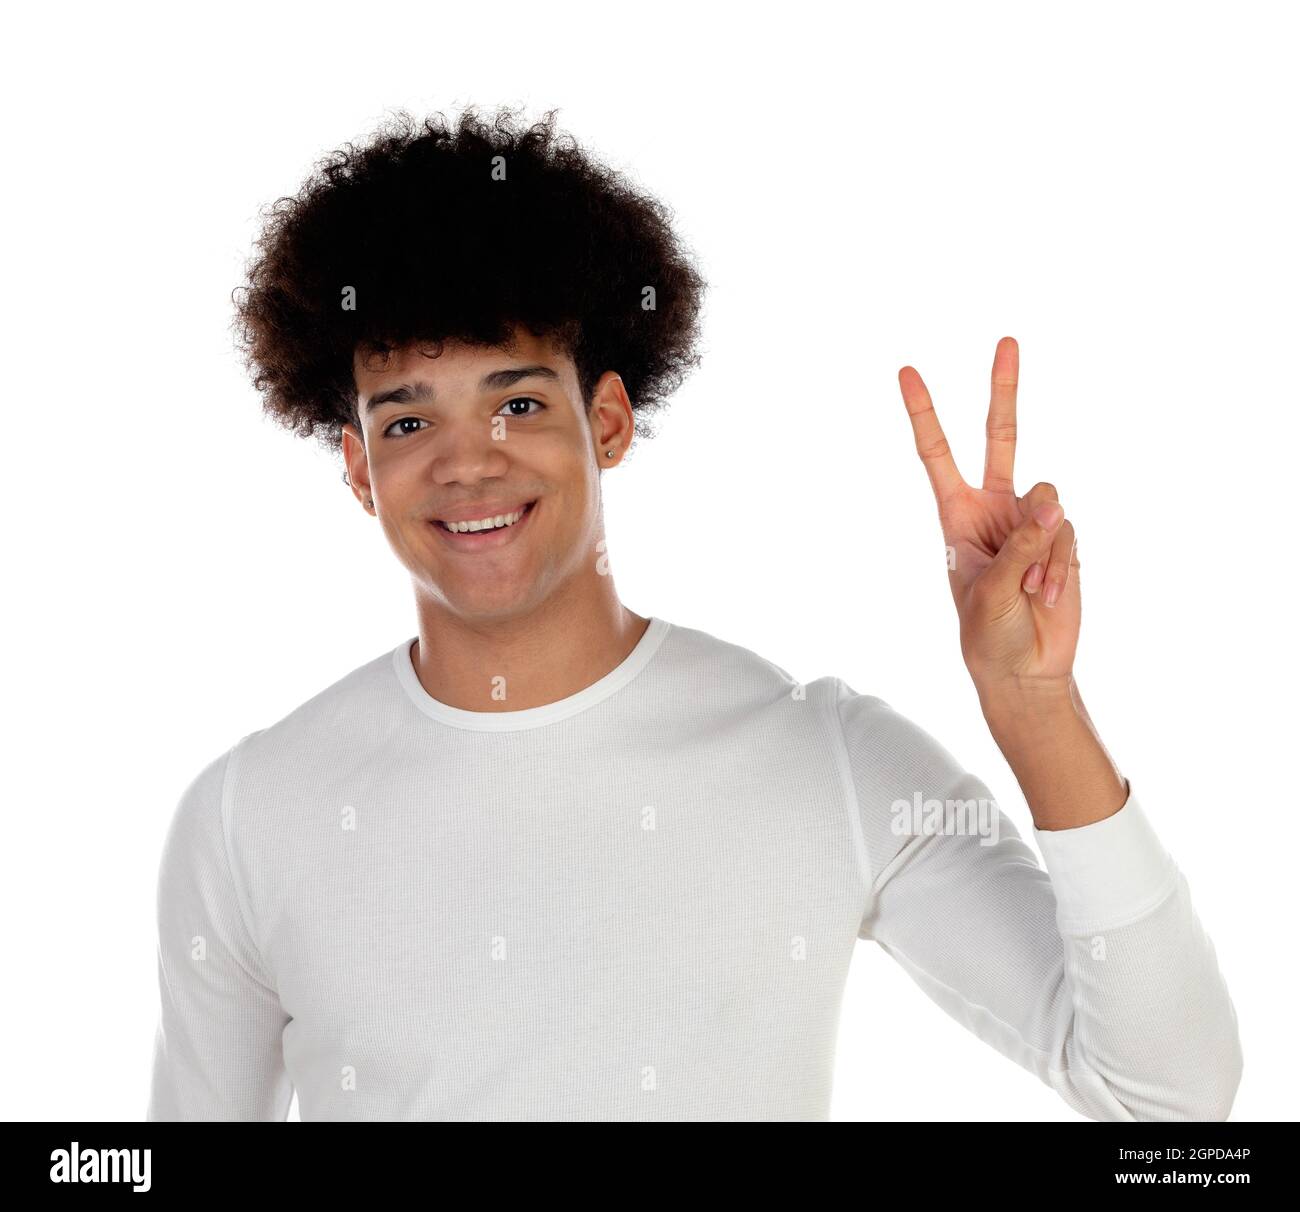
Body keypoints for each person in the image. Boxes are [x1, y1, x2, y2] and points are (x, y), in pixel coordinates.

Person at [146, 106, 1242, 1122]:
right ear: (357, 469)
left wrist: (1032, 703)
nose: (466, 466)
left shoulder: (823, 758)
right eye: (406, 422)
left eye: (517, 403)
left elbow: (1171, 1095)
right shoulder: (250, 814)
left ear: (608, 421)